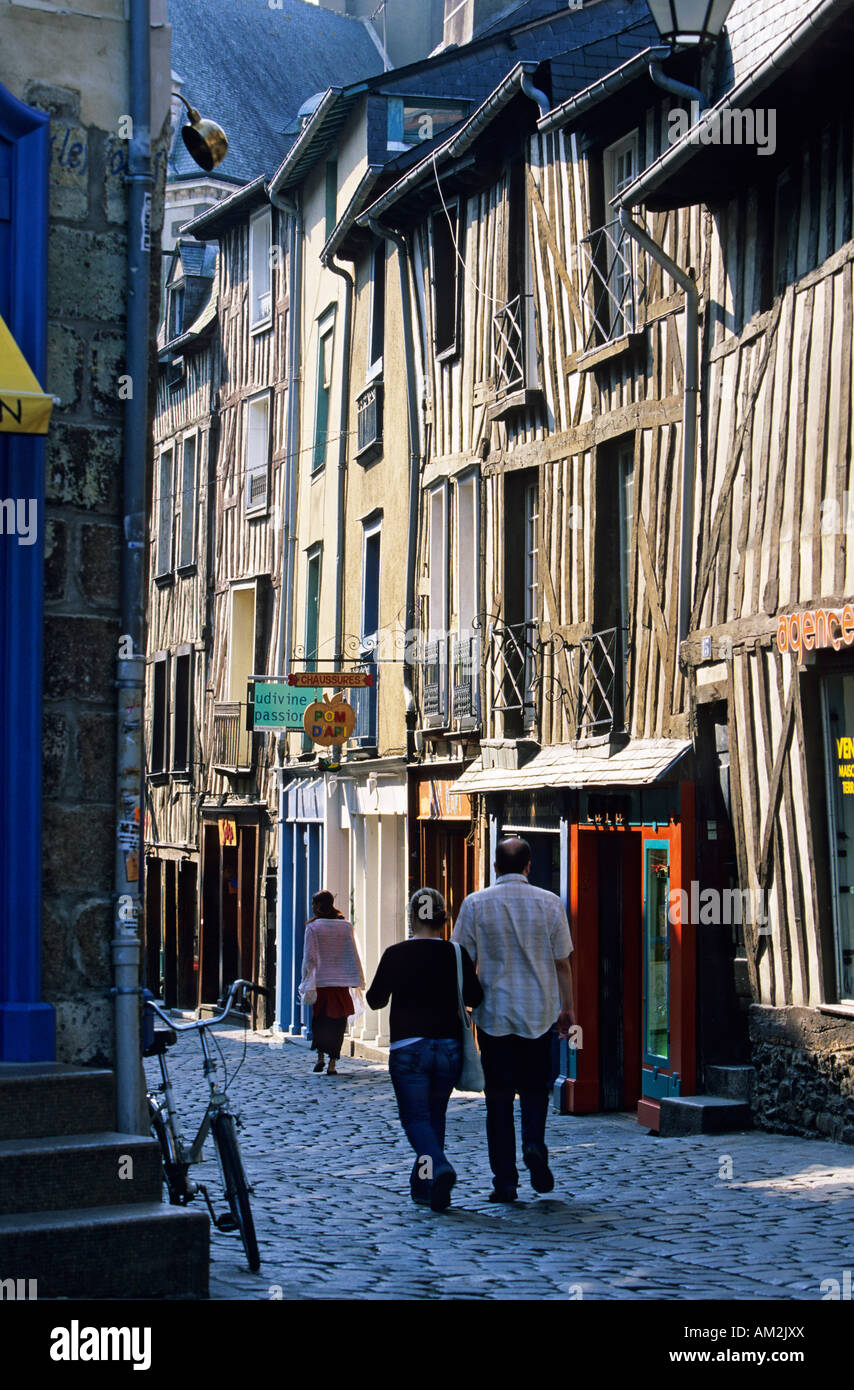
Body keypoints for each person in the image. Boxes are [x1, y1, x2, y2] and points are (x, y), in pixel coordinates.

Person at [452, 837, 575, 1203]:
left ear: (494, 868)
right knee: (537, 1091)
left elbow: (463, 959)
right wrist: (567, 1009)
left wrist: (464, 1005)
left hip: (494, 1016)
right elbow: (562, 962)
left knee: (500, 1100)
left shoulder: (475, 904)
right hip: (539, 1013)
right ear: (528, 867)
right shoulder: (550, 903)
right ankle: (534, 1144)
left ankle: (504, 1180)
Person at [366, 887, 483, 1212]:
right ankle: (426, 1186)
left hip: (409, 1048)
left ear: (412, 918)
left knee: (416, 1118)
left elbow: (375, 1000)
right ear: (444, 919)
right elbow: (475, 998)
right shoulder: (457, 953)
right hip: (447, 1047)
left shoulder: (395, 953)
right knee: (435, 1117)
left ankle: (438, 1169)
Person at [299, 890, 365, 1075]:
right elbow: (352, 952)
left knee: (320, 1021)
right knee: (337, 1023)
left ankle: (320, 1056)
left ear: (316, 905)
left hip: (322, 982)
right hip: (340, 983)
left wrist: (307, 977)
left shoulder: (313, 927)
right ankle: (332, 1064)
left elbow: (309, 957)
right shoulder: (345, 926)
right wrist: (356, 976)